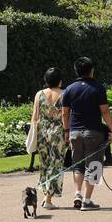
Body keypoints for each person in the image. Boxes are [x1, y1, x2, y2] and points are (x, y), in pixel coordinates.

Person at [61, 57, 112, 211]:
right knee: (94, 165)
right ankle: (87, 200)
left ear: (76, 70)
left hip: (75, 132)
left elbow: (65, 114)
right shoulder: (98, 88)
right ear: (92, 70)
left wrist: (66, 131)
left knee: (78, 165)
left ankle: (77, 193)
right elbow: (104, 110)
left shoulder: (69, 89)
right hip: (93, 132)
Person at [30, 67, 66, 210]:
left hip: (42, 132)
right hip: (58, 133)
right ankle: (48, 199)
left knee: (44, 164)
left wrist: (33, 133)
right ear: (60, 81)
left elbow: (35, 116)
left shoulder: (39, 94)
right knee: (56, 164)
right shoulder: (64, 94)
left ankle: (46, 195)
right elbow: (65, 115)